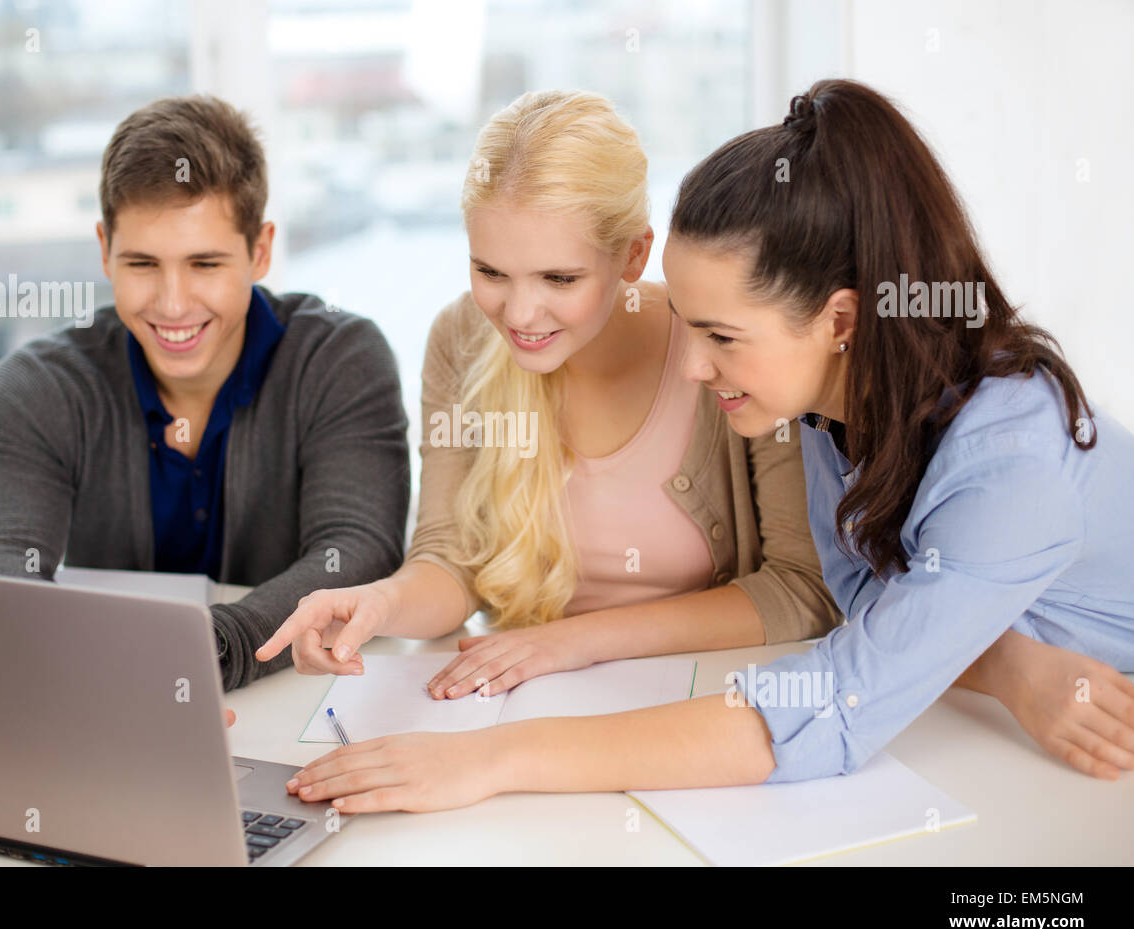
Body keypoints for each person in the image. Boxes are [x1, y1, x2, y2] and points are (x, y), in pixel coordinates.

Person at [274, 79, 1134, 813]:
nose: (688, 366)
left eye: (719, 335)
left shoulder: (1008, 465)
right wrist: (1012, 665)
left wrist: (493, 760)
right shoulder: (832, 410)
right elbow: (881, 615)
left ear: (839, 319)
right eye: (684, 325)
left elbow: (825, 705)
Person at [256, 89, 841, 705]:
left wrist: (573, 642)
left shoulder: (720, 342)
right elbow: (449, 564)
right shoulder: (460, 337)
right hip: (528, 696)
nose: (520, 313)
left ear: (634, 254)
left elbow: (801, 588)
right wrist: (379, 602)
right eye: (490, 272)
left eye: (559, 278)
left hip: (704, 700)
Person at [0, 95, 410, 691]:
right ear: (104, 250)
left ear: (261, 251)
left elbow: (358, 550)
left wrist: (208, 652)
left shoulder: (338, 359)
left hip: (295, 692)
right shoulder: (41, 387)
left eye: (205, 264)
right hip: (102, 695)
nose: (172, 304)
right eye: (143, 264)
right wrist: (108, 676)